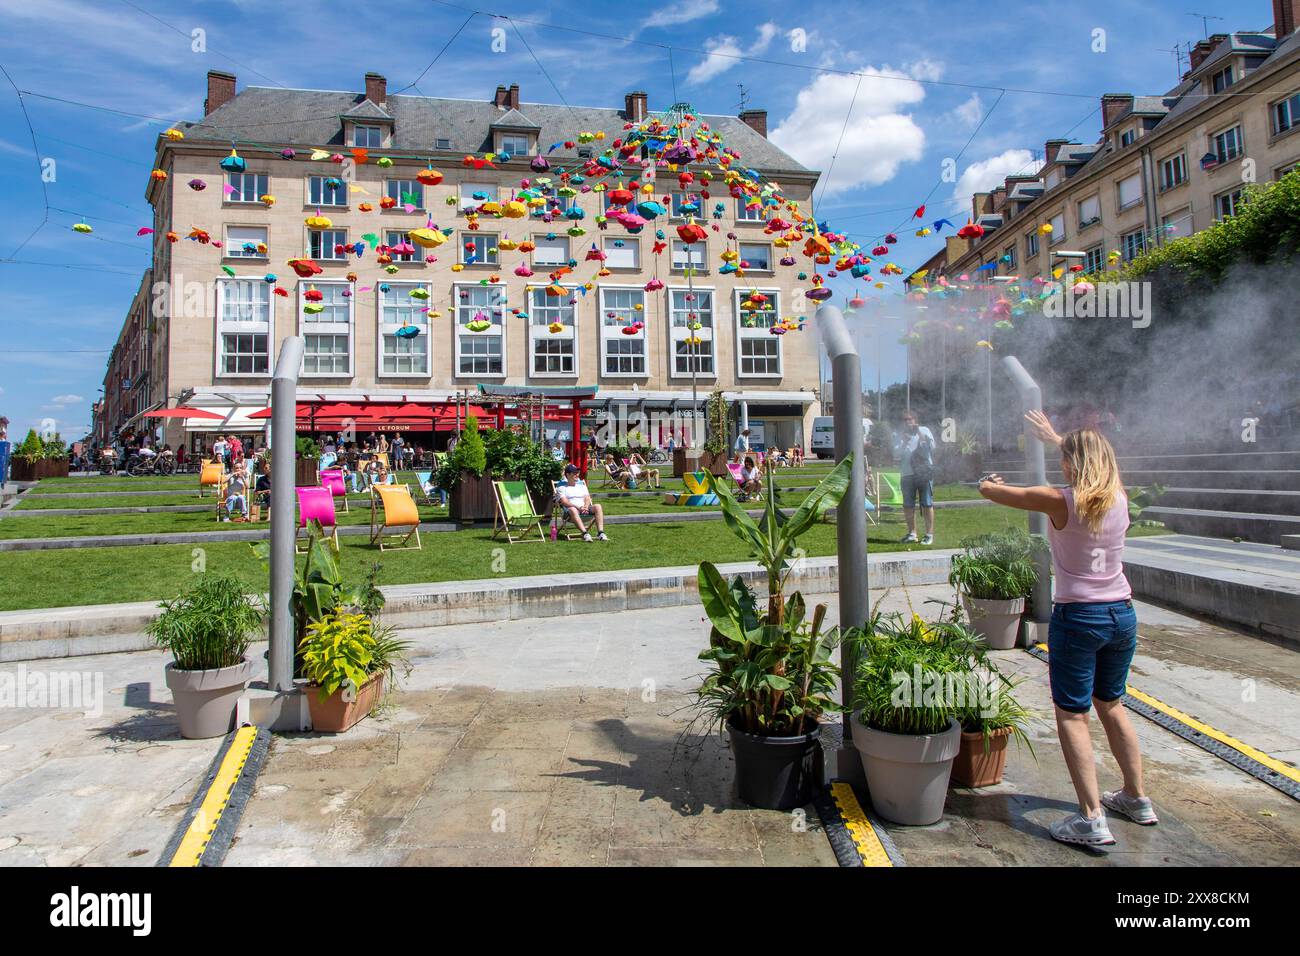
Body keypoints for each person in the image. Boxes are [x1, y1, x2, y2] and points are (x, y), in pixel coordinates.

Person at [978, 410, 1154, 847]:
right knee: (1111, 704)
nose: (1062, 465)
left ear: (1074, 465)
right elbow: (1089, 460)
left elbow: (1004, 494)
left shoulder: (1062, 500)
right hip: (1121, 613)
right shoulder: (1120, 496)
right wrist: (1059, 439)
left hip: (1079, 617)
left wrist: (987, 484)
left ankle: (1092, 818)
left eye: (1065, 459)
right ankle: (1136, 798)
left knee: (1072, 715)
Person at [894, 410, 935, 546]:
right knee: (908, 505)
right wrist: (904, 442)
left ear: (916, 420)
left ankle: (929, 535)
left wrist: (920, 434)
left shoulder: (924, 430)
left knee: (927, 504)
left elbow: (932, 448)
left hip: (923, 473)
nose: (908, 422)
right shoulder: (899, 435)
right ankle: (912, 533)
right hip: (907, 474)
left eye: (910, 419)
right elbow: (895, 454)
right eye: (905, 420)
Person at [555, 463, 608, 542]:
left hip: (584, 509)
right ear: (568, 474)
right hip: (570, 513)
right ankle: (585, 533)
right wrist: (578, 507)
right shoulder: (561, 487)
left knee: (598, 506)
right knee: (573, 509)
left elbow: (587, 498)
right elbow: (564, 501)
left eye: (577, 473)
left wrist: (586, 506)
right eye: (574, 473)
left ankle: (600, 533)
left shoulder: (581, 486)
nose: (577, 475)